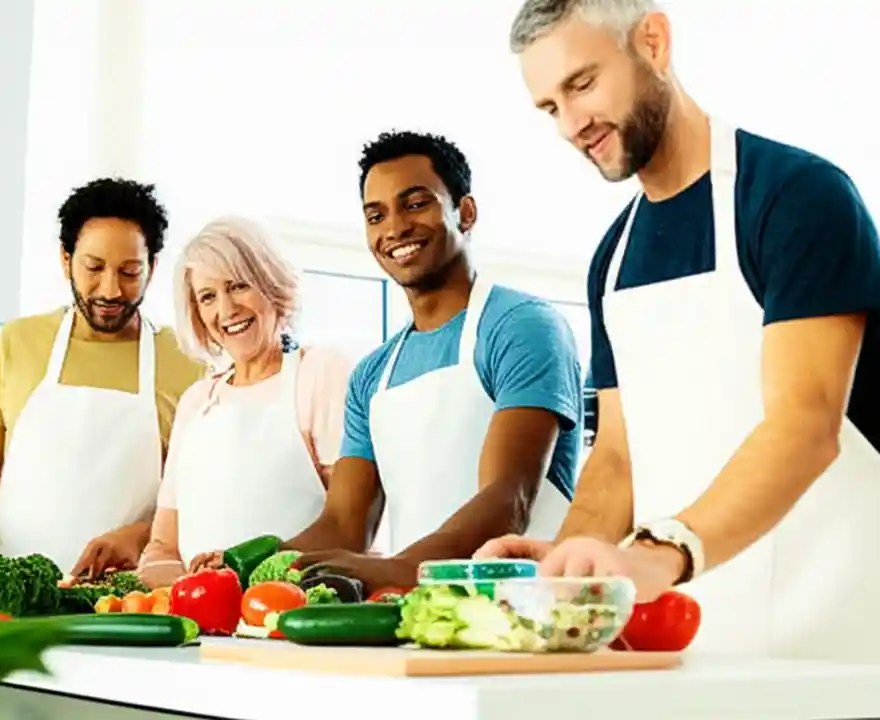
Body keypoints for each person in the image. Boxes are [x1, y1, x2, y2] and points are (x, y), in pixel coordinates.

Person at [477, 0, 880, 661]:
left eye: (582, 84)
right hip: (687, 654)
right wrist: (569, 567)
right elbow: (616, 460)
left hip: (837, 647)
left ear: (654, 43)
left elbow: (806, 426)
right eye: (550, 107)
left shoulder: (796, 198)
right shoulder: (612, 261)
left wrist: (661, 554)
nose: (572, 124)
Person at [279, 130, 585, 592]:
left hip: (526, 611)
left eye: (416, 203)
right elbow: (344, 524)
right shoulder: (372, 376)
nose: (395, 228)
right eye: (375, 215)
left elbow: (509, 498)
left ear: (465, 212)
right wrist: (255, 564)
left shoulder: (522, 327)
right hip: (423, 617)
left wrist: (402, 570)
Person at [0, 178, 206, 578]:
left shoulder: (186, 361)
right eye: (94, 268)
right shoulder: (19, 341)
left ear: (152, 267)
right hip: (8, 583)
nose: (111, 290)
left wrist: (139, 537)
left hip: (121, 596)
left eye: (130, 271)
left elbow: (194, 497)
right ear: (66, 259)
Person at [134, 216, 354, 589]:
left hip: (292, 614)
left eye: (238, 286)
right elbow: (162, 547)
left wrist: (245, 569)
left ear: (271, 284)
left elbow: (349, 524)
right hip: (200, 622)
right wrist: (181, 588)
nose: (227, 310)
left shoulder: (319, 372)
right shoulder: (197, 402)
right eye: (208, 297)